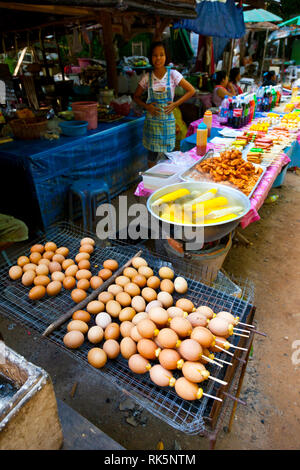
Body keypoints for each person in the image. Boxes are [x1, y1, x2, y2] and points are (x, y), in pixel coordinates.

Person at [133, 41, 195, 167]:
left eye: (161, 55)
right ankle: (152, 183)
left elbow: (191, 90)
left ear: (166, 56)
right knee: (152, 155)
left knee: (169, 156)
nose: (158, 58)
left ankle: (167, 182)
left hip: (168, 122)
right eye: (155, 55)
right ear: (151, 57)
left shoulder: (173, 74)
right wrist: (147, 106)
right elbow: (136, 97)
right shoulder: (147, 77)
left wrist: (175, 104)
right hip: (152, 123)